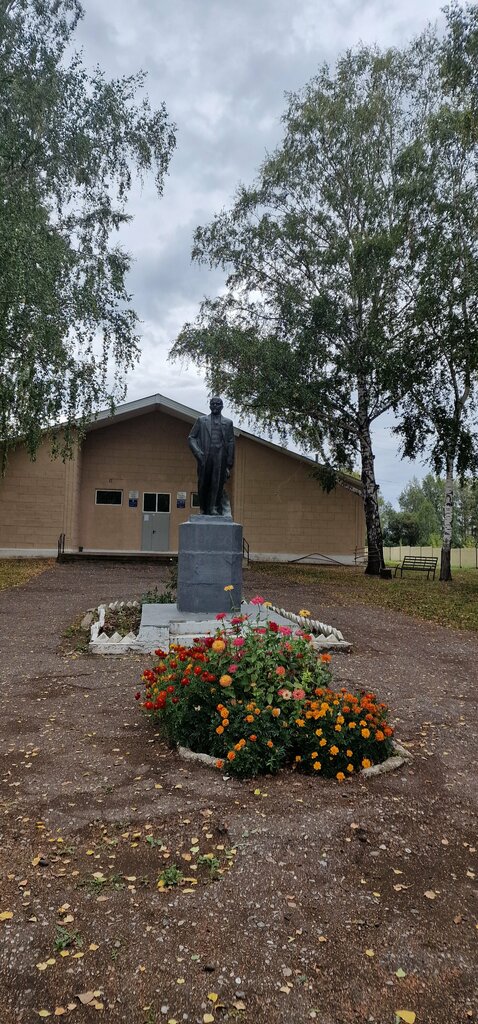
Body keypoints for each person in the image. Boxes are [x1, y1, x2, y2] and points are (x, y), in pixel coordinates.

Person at [188, 397, 235, 516]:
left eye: (218, 404)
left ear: (222, 406)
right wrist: (198, 453)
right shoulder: (201, 420)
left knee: (217, 483)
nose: (215, 406)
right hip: (205, 456)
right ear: (209, 406)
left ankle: (214, 507)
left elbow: (230, 442)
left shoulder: (228, 423)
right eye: (213, 404)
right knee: (203, 482)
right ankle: (203, 508)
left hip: (220, 456)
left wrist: (229, 462)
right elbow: (191, 438)